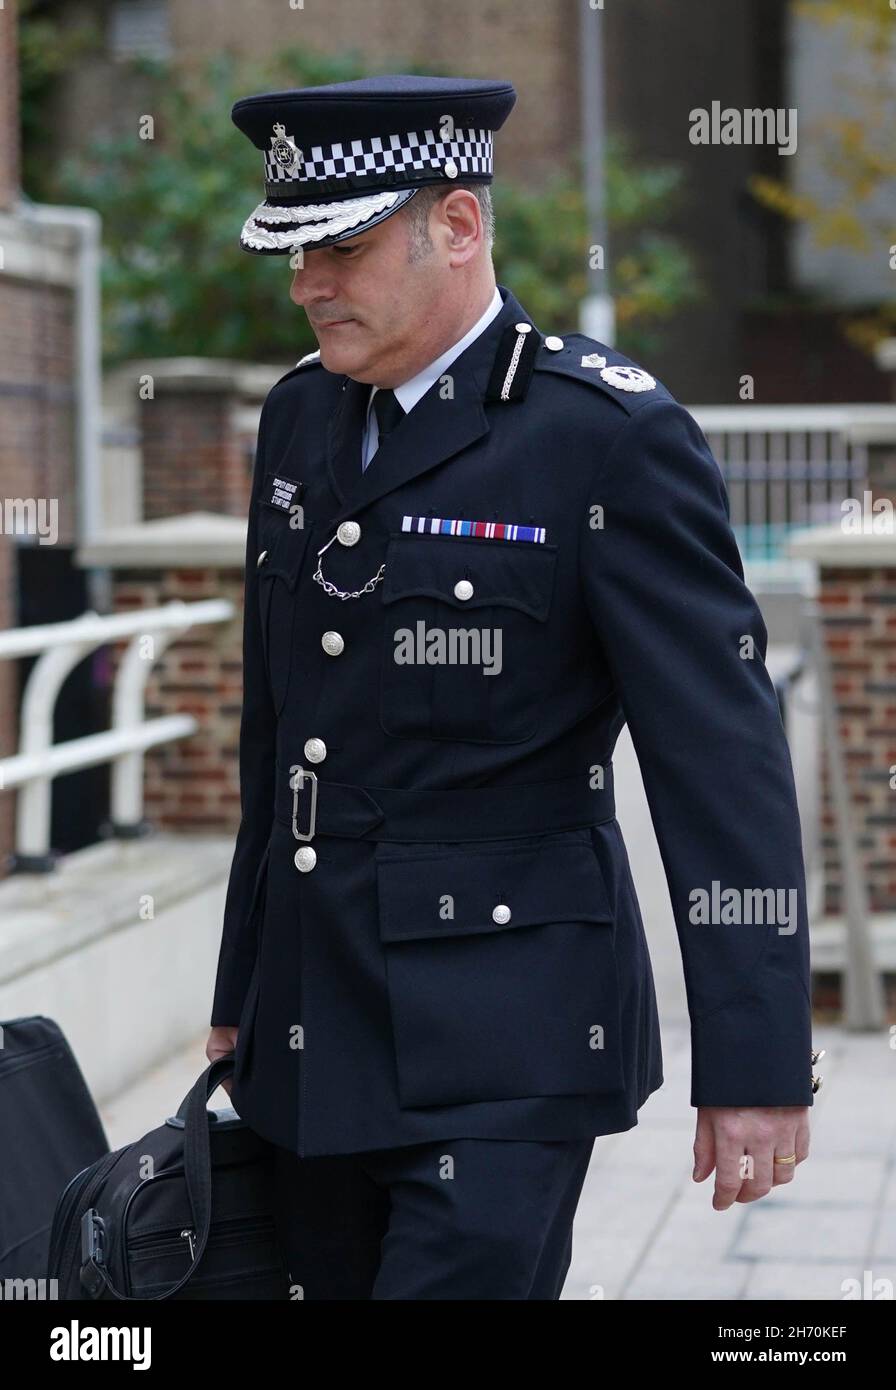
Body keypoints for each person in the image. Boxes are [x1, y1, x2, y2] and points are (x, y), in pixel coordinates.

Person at [206, 73, 819, 1300]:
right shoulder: (298, 419)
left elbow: (720, 762)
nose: (307, 283)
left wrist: (753, 1058)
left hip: (506, 1037)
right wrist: (240, 989)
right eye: (292, 250)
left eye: (342, 245)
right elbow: (277, 740)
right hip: (312, 1026)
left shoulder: (602, 435)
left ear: (458, 225)